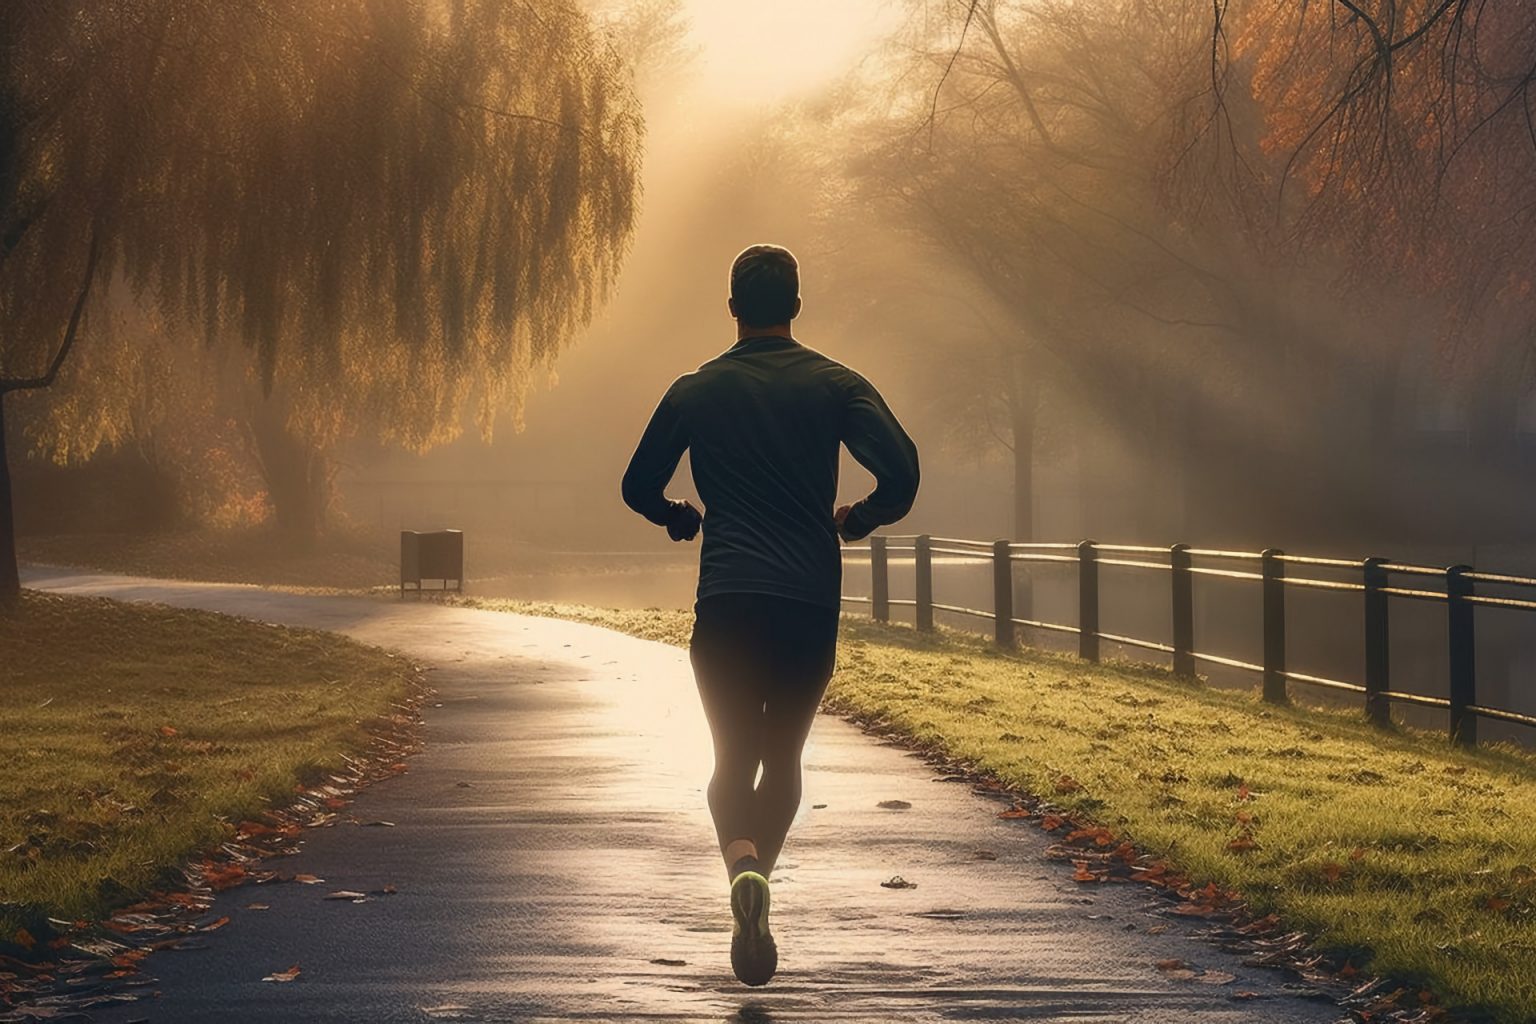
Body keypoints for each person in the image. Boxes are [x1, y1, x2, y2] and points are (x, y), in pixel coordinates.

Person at [620, 243, 920, 986]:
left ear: (732, 308)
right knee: (782, 756)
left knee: (729, 759)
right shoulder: (835, 383)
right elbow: (904, 471)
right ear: (795, 306)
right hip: (808, 601)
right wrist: (859, 519)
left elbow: (636, 483)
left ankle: (741, 869)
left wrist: (678, 516)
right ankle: (759, 880)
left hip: (727, 599)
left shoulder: (696, 389)